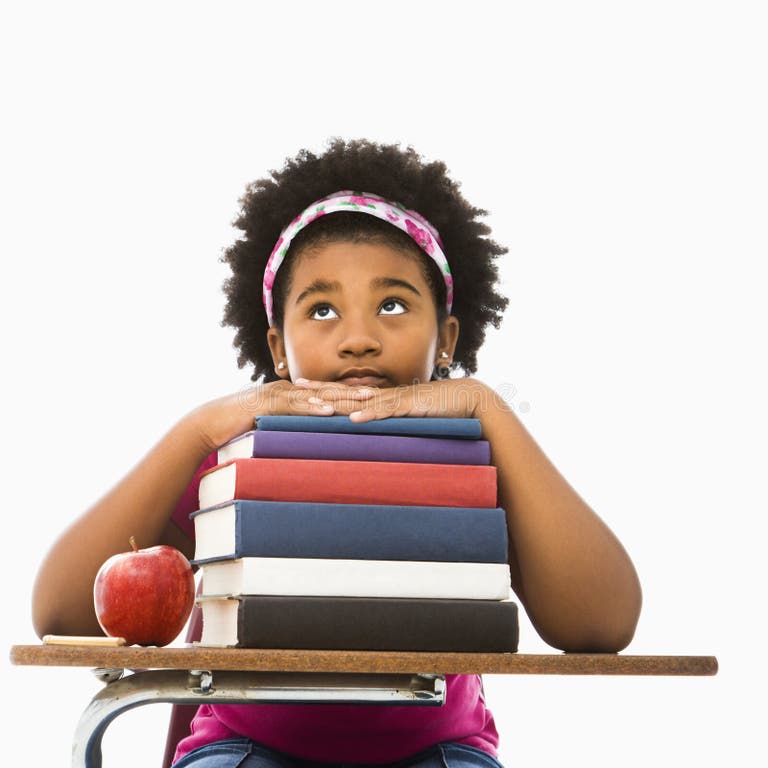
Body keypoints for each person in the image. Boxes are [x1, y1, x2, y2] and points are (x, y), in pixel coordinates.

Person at [32, 138, 642, 768]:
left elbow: (601, 625)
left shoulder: (478, 463)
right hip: (247, 747)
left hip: (437, 749)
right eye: (322, 309)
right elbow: (62, 612)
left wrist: (487, 407)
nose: (358, 339)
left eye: (393, 305)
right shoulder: (237, 463)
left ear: (446, 337)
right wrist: (195, 430)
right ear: (278, 348)